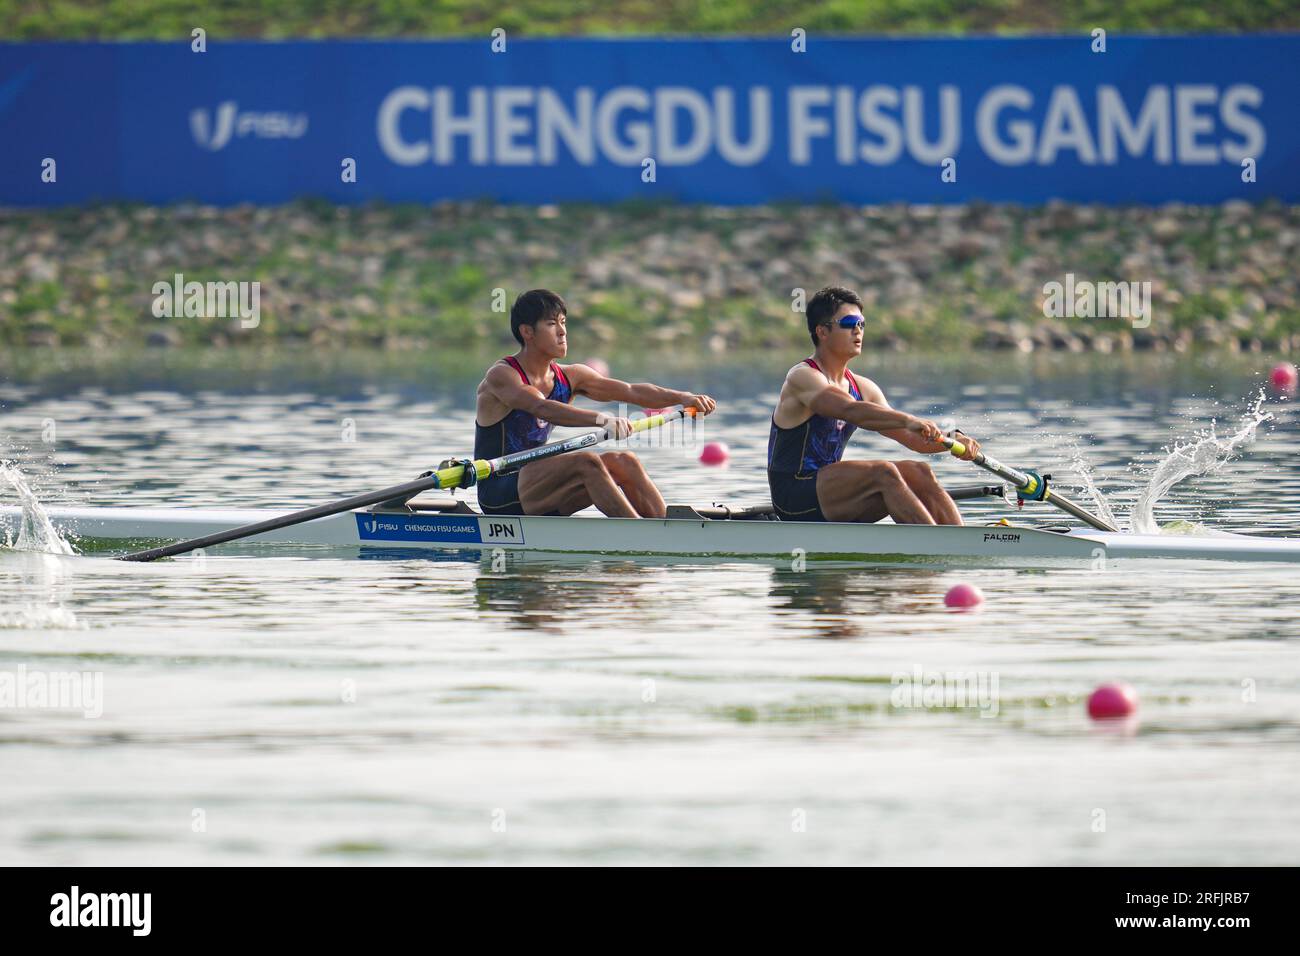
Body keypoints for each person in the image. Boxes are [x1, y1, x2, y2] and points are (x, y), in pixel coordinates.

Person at [473, 289, 716, 517]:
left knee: (625, 462)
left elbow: (630, 391)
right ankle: (640, 534)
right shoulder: (502, 376)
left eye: (563, 322)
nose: (562, 332)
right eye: (551, 324)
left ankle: (667, 527)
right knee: (586, 462)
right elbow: (542, 408)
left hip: (540, 485)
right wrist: (601, 420)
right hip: (498, 492)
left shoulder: (571, 376)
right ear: (527, 332)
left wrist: (682, 397)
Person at [767, 286, 981, 524]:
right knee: (884, 472)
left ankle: (958, 538)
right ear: (822, 331)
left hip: (831, 492)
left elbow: (914, 439)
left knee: (920, 472)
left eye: (862, 323)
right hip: (793, 496)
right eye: (849, 323)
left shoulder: (864, 387)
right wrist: (908, 419)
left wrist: (953, 439)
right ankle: (932, 540)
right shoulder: (802, 377)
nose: (858, 330)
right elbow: (850, 410)